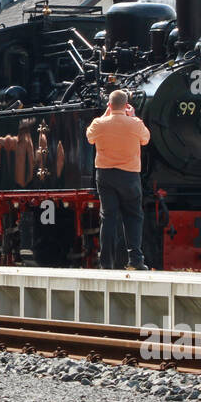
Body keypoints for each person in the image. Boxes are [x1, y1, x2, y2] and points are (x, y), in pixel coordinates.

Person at [85, 90, 151, 270]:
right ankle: (136, 260)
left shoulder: (99, 123)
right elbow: (145, 139)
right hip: (129, 175)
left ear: (109, 105)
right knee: (134, 216)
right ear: (127, 105)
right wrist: (133, 117)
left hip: (105, 175)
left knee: (108, 217)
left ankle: (106, 263)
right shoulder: (135, 123)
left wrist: (106, 115)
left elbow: (89, 137)